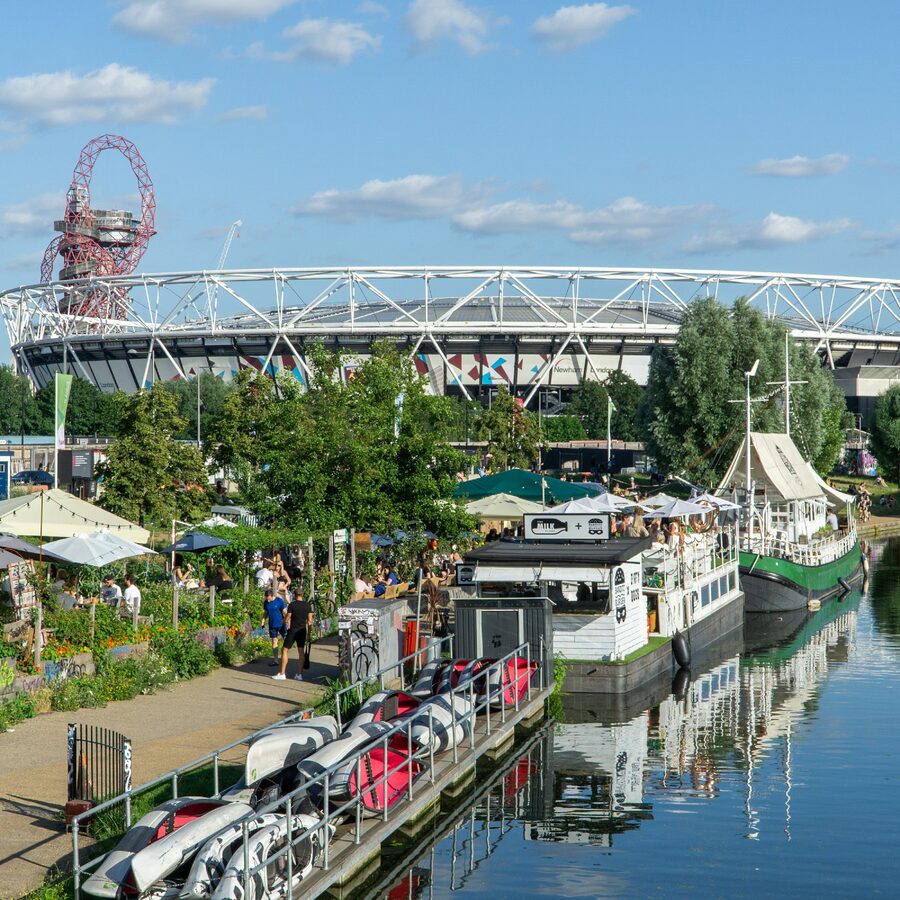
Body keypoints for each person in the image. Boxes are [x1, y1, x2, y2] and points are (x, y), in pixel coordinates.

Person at [276, 588, 314, 681]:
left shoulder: (292, 605)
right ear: (302, 595)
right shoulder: (307, 605)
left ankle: (282, 674)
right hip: (302, 631)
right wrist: (309, 633)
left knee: (284, 650)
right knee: (301, 652)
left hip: (293, 630)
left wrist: (283, 621)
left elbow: (288, 617)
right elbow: (310, 621)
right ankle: (299, 674)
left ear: (294, 595)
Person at [262, 587, 287, 670]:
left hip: (281, 624)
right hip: (272, 625)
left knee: (286, 640)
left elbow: (285, 611)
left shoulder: (279, 601)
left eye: (268, 598)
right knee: (274, 641)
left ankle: (285, 657)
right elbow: (265, 612)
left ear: (272, 596)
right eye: (266, 598)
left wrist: (287, 620)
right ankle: (276, 660)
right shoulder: (266, 602)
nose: (267, 600)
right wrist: (263, 620)